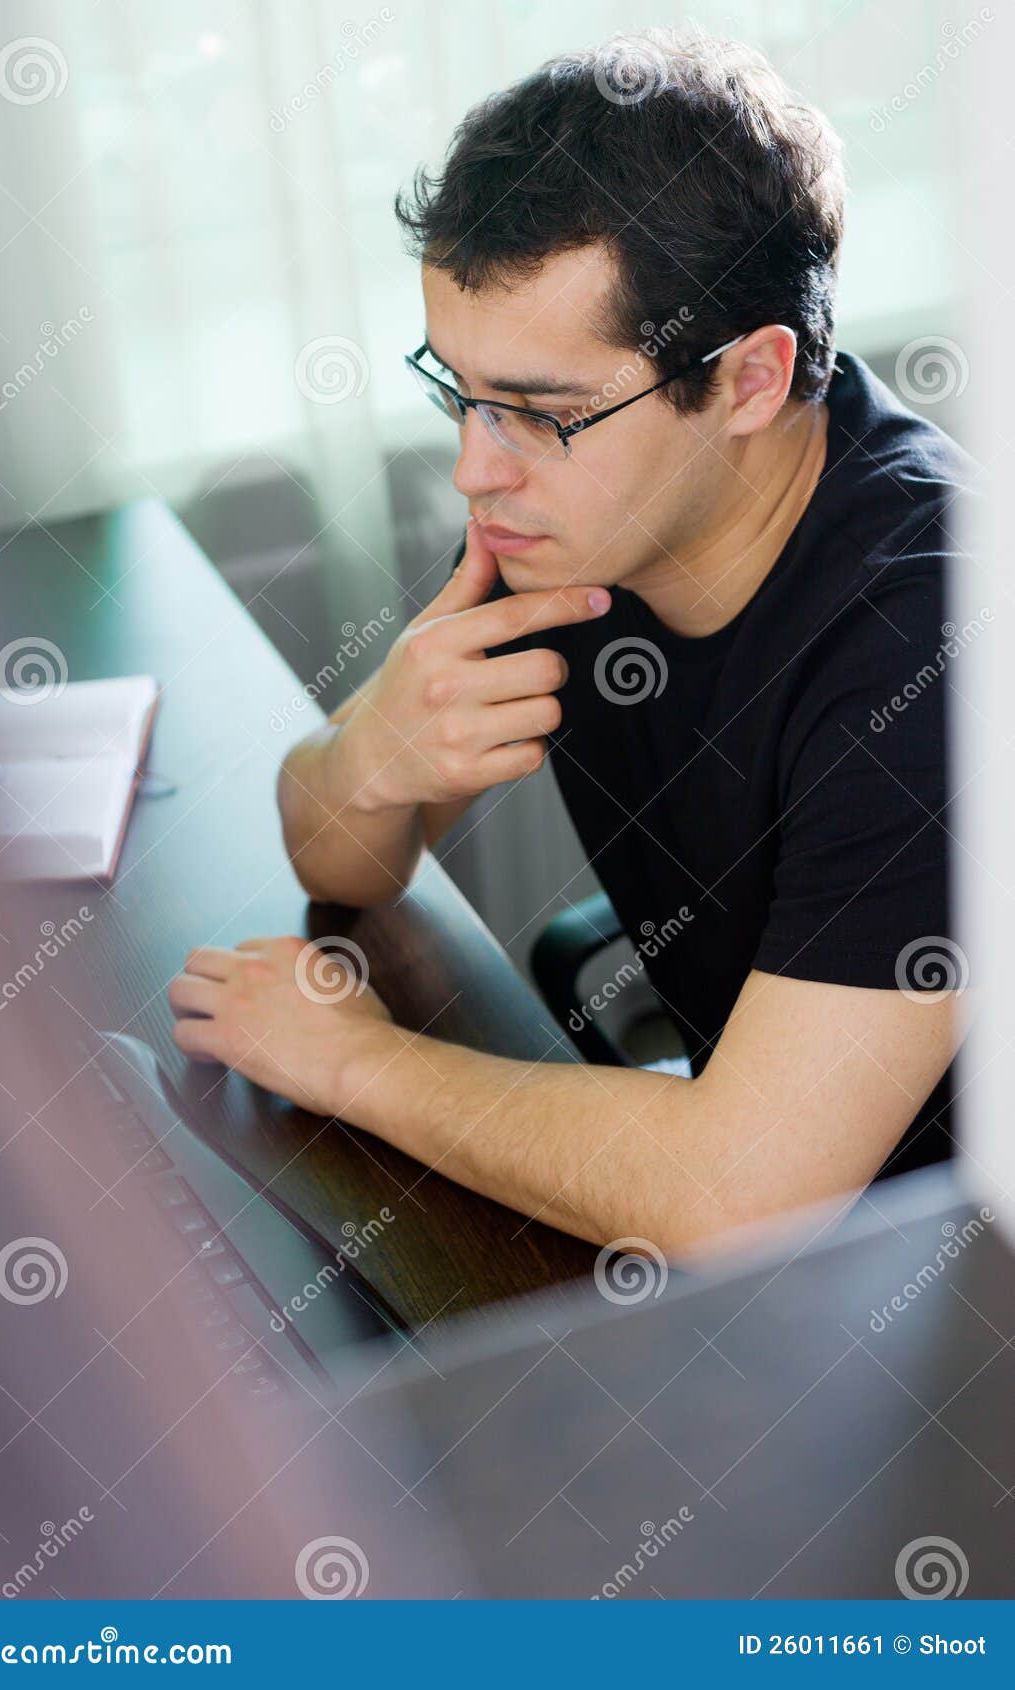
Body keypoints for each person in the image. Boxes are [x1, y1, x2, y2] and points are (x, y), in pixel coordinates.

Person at [169, 28, 970, 1257]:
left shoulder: (937, 652)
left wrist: (348, 1060)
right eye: (459, 392)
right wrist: (369, 756)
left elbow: (738, 1197)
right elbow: (338, 859)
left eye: (542, 414)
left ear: (752, 381)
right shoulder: (567, 518)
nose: (471, 471)